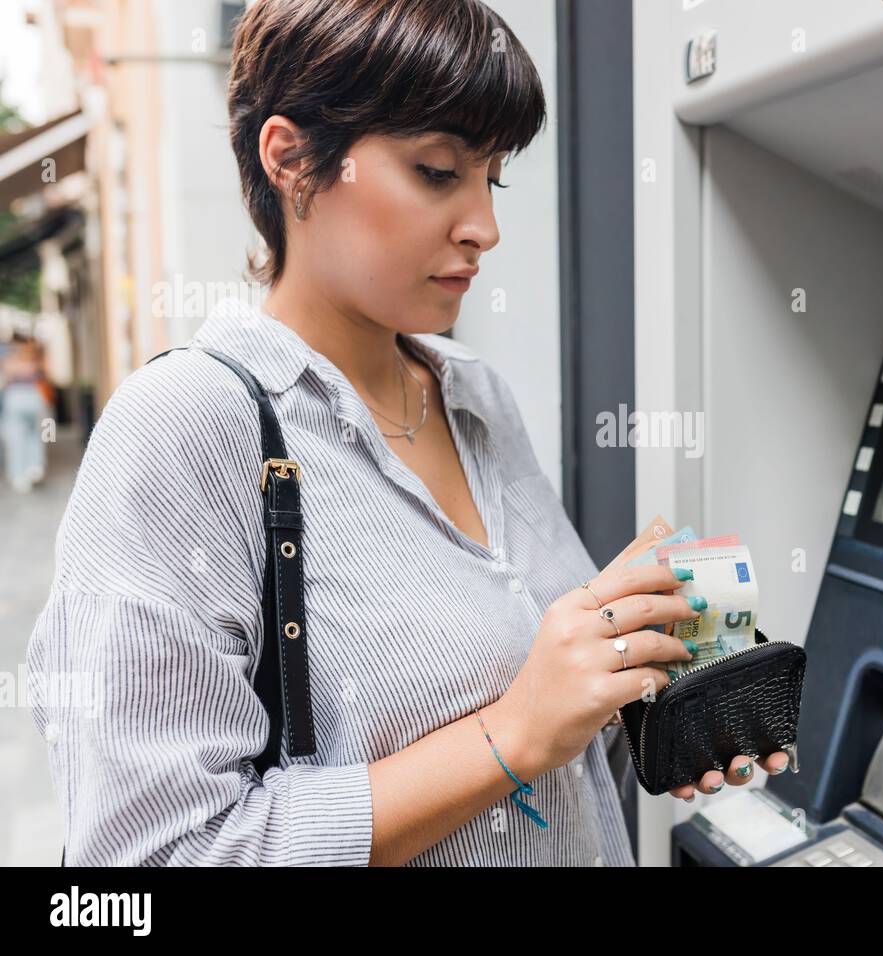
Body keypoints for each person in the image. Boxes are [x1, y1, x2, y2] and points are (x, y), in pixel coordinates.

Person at [26, 0, 788, 867]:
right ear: (293, 161)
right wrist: (511, 735)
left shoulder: (476, 396)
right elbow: (148, 860)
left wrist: (633, 689)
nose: (484, 227)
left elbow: (539, 710)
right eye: (436, 171)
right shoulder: (186, 429)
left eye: (492, 178)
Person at [1, 333, 52, 492]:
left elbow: (6, 376)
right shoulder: (36, 357)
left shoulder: (9, 358)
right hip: (33, 398)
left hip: (16, 398)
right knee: (35, 435)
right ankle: (34, 466)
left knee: (17, 439)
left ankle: (19, 475)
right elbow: (44, 375)